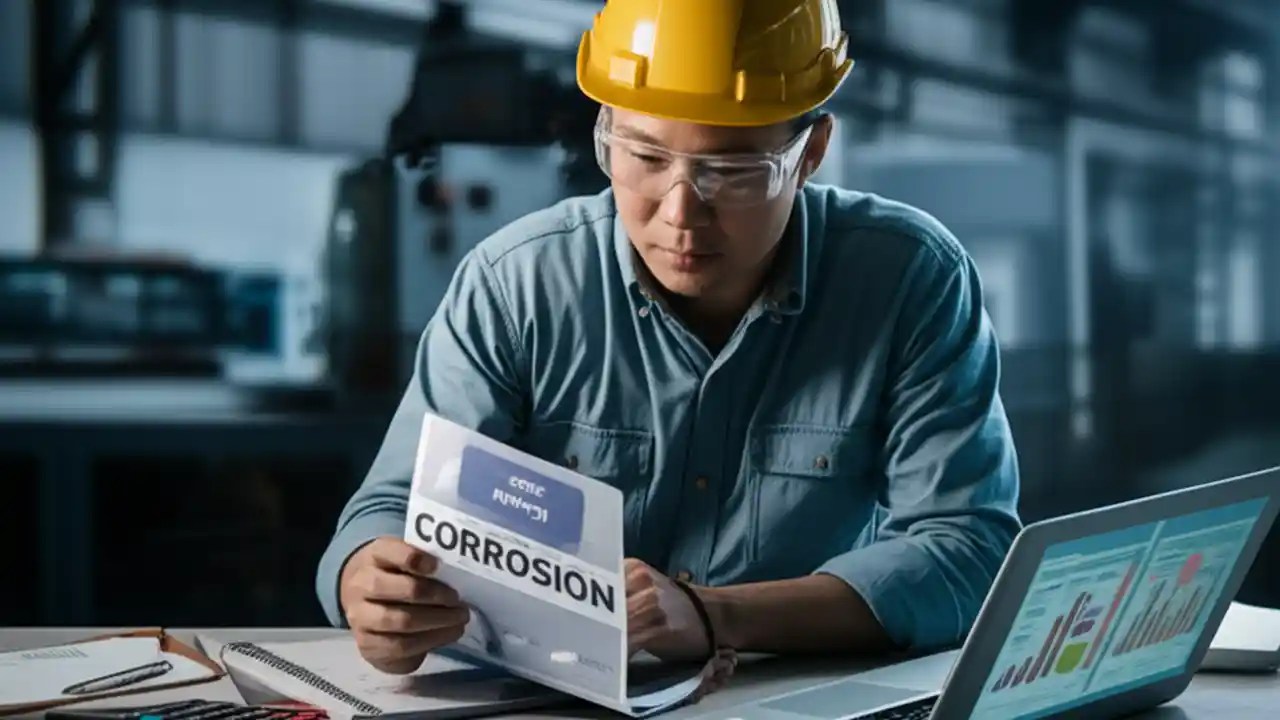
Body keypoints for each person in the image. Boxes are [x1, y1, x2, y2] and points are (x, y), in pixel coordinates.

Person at [317, 0, 1022, 677]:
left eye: (733, 171)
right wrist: (369, 582)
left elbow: (967, 550)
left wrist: (716, 618)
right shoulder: (515, 288)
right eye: (645, 158)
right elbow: (393, 508)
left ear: (812, 153)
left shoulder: (909, 280)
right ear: (605, 129)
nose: (681, 214)